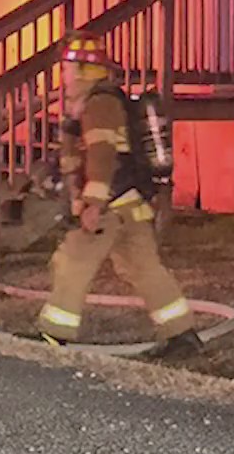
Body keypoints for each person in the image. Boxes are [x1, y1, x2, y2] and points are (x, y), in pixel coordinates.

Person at [33, 31, 201, 356]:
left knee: (73, 260)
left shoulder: (100, 104)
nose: (63, 76)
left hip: (111, 206)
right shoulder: (97, 103)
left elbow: (102, 154)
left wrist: (93, 202)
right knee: (144, 268)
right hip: (131, 204)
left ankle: (53, 336)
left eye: (67, 69)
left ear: (82, 70)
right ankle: (182, 335)